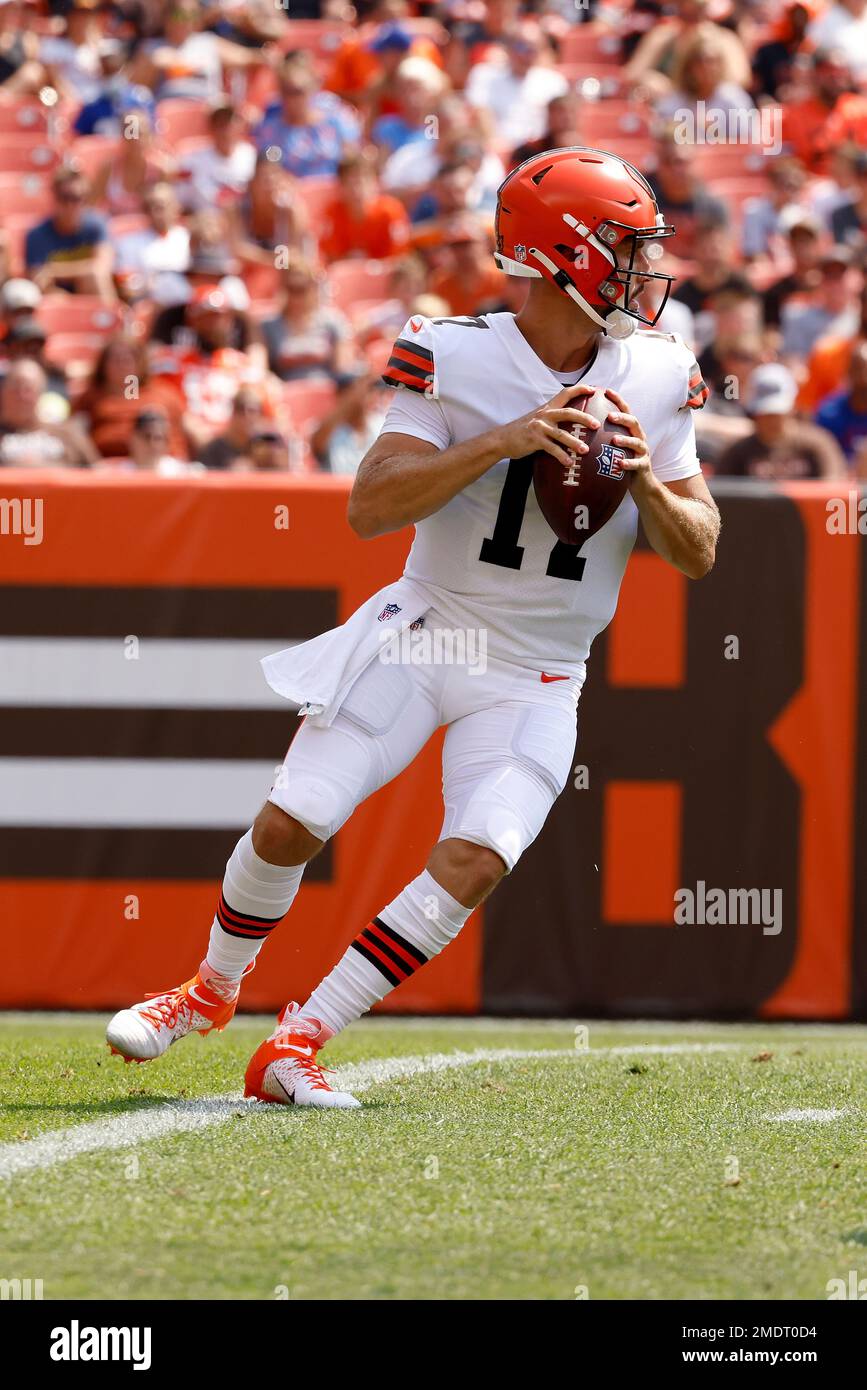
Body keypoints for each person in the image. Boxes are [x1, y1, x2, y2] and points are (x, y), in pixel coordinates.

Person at [107, 147, 719, 1110]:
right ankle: (210, 990)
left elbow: (698, 550)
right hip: (430, 626)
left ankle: (298, 1042)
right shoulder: (454, 349)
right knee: (295, 817)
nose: (644, 266)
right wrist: (504, 440)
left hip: (543, 668)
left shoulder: (659, 370)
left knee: (477, 856)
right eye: (625, 245)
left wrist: (645, 477)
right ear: (565, 252)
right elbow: (370, 506)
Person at [716, 362, 847, 478]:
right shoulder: (737, 452)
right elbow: (721, 495)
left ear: (792, 407)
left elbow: (832, 489)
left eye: (777, 413)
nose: (771, 420)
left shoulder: (817, 445)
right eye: (765, 413)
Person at [76, 335, 187, 460]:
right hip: (108, 468)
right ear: (104, 364)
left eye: (129, 358)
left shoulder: (164, 394)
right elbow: (77, 434)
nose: (123, 364)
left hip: (162, 467)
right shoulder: (90, 398)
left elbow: (187, 428)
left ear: (141, 362)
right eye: (116, 359)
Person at [253, 52, 360, 179]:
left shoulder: (337, 122)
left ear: (312, 88)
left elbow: (352, 163)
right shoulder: (270, 131)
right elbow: (270, 171)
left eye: (299, 91)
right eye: (287, 91)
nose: (293, 99)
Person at [464, 24, 568, 148]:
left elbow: (564, 122)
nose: (527, 54)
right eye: (522, 47)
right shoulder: (484, 75)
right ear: (508, 48)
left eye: (533, 49)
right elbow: (479, 112)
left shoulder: (554, 81)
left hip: (539, 153)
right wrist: (497, 147)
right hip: (495, 150)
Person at [25, 167, 115, 301]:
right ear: (55, 198)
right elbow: (37, 278)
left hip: (90, 292)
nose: (70, 205)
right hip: (56, 296)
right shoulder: (36, 235)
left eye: (76, 198)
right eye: (64, 197)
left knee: (94, 277)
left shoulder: (97, 225)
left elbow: (101, 267)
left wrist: (54, 270)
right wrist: (69, 301)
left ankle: (109, 320)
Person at [262, 256, 354, 382]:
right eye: (291, 289)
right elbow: (262, 371)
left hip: (327, 389)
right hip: (286, 392)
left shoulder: (332, 321)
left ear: (312, 288)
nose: (296, 297)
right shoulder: (268, 326)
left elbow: (343, 367)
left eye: (301, 288)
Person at [0, 359, 96, 467]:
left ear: (40, 393)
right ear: (3, 391)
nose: (21, 396)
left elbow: (98, 473)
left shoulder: (67, 432)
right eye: (15, 388)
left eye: (28, 389)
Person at [319, 152, 409, 263]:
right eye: (350, 183)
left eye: (362, 182)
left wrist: (373, 266)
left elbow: (400, 257)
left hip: (386, 277)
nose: (357, 190)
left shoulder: (391, 211)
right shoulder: (333, 212)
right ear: (341, 186)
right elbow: (331, 258)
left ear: (375, 183)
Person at [310, 366, 389, 475]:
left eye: (370, 389)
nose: (365, 393)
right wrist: (354, 395)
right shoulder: (329, 429)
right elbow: (317, 442)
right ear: (340, 394)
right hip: (337, 491)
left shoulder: (381, 426)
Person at [815, 341, 867, 463]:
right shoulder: (829, 412)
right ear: (848, 372)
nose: (864, 378)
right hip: (838, 478)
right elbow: (821, 456)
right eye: (859, 369)